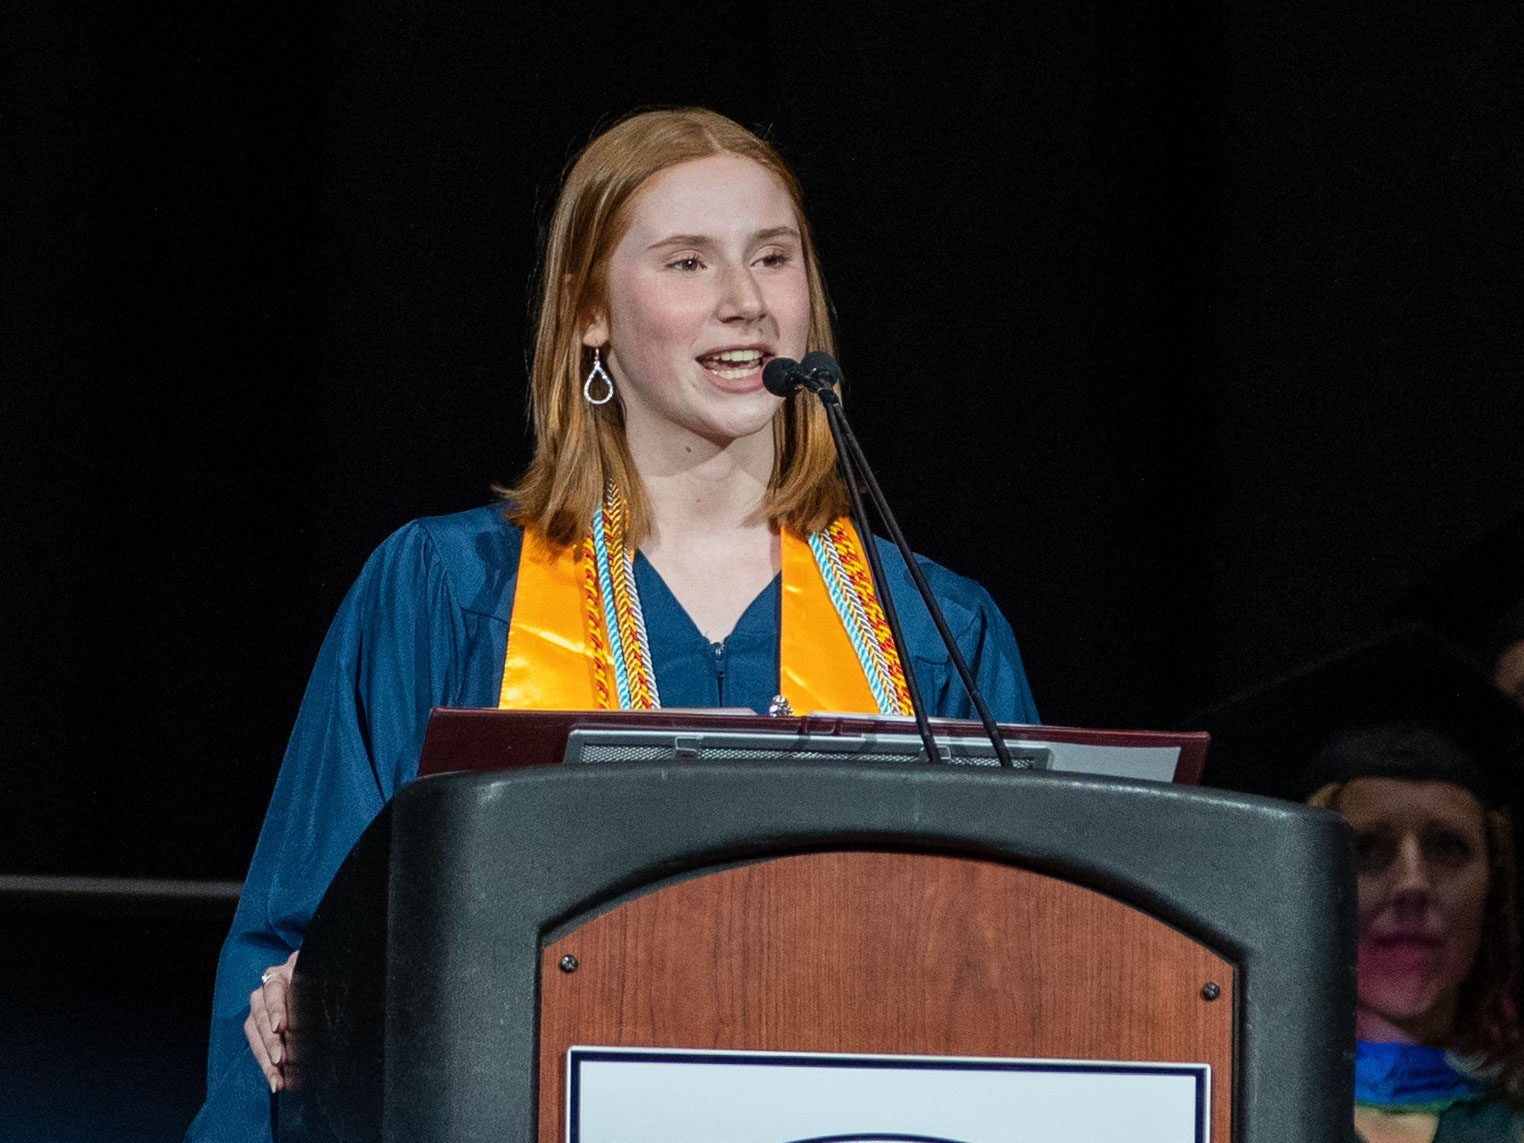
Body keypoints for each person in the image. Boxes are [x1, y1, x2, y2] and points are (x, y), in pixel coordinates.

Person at [185, 107, 1038, 1140]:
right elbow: (290, 950)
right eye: (687, 264)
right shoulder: (447, 594)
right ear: (588, 311)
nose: (745, 304)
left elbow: (1021, 960)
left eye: (773, 258)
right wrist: (304, 1000)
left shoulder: (931, 631)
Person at [1188, 626, 1524, 1142]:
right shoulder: (1223, 1116)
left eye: (1447, 847)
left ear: (1494, 885)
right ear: (1304, 884)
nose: (1413, 884)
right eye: (1365, 849)